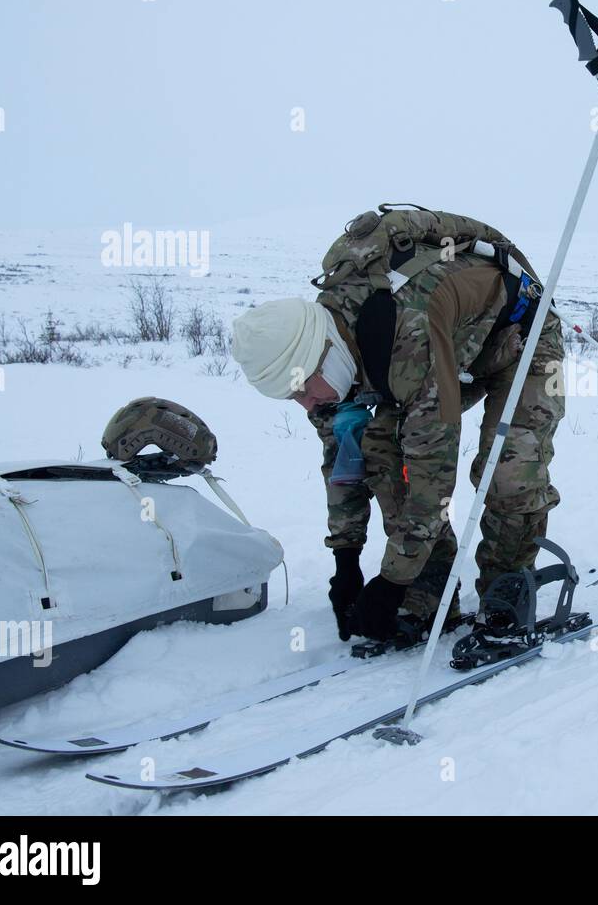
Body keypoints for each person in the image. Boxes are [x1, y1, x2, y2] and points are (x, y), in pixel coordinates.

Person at [231, 206, 565, 646]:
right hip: (456, 347)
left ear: (321, 355)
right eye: (291, 396)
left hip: (522, 337)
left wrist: (389, 582)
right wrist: (346, 562)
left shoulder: (406, 333)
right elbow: (344, 461)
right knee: (378, 447)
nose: (305, 403)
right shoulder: (325, 352)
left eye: (301, 389)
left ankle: (507, 590)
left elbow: (433, 479)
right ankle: (430, 588)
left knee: (508, 471)